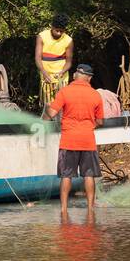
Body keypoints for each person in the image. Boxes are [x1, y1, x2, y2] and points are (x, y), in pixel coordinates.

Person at [44, 63, 104, 219]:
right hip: (87, 141)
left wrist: (44, 116)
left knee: (66, 175)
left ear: (74, 76)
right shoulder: (96, 95)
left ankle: (64, 210)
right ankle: (90, 210)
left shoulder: (65, 92)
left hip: (68, 140)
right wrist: (89, 126)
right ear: (89, 78)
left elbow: (51, 112)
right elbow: (100, 121)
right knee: (89, 175)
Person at [35, 14, 74, 107]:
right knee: (48, 105)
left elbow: (68, 62)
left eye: (62, 31)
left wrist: (62, 72)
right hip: (46, 75)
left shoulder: (69, 40)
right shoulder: (42, 36)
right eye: (57, 30)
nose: (59, 33)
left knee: (61, 104)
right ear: (52, 27)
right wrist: (44, 73)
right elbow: (37, 58)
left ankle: (59, 121)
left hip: (62, 77)